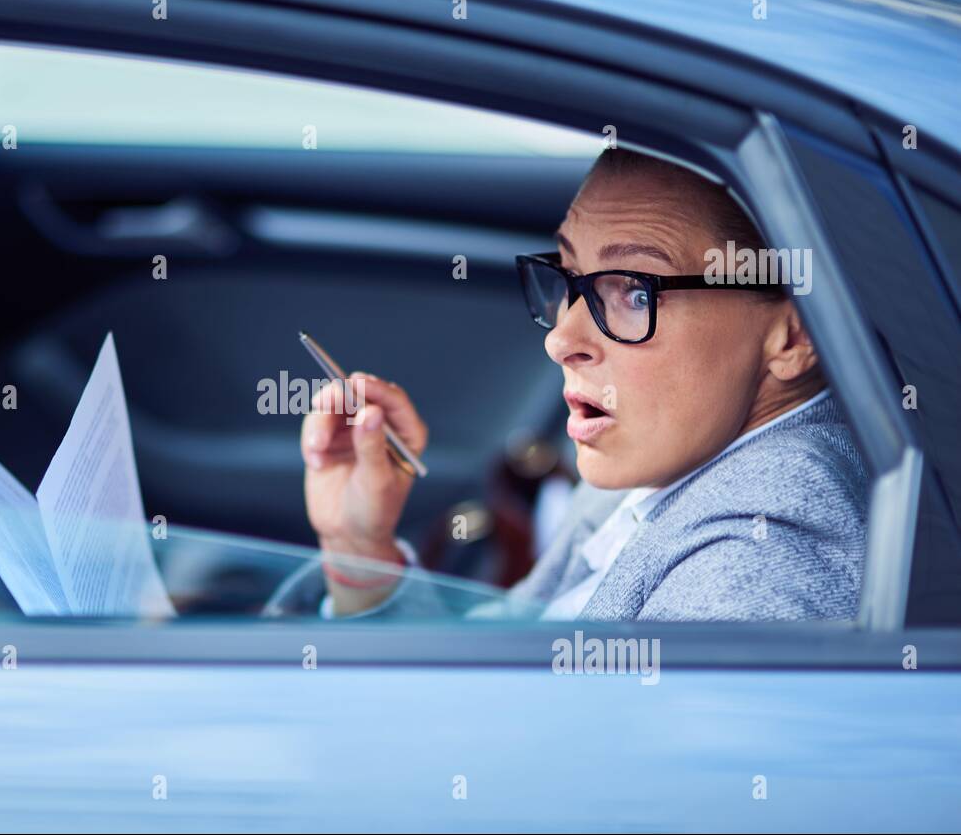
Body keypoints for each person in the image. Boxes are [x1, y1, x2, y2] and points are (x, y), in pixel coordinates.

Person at [284, 147, 867, 621]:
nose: (561, 339)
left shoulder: (750, 573)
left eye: (636, 292)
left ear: (794, 336)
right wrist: (359, 551)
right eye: (570, 276)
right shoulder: (668, 462)